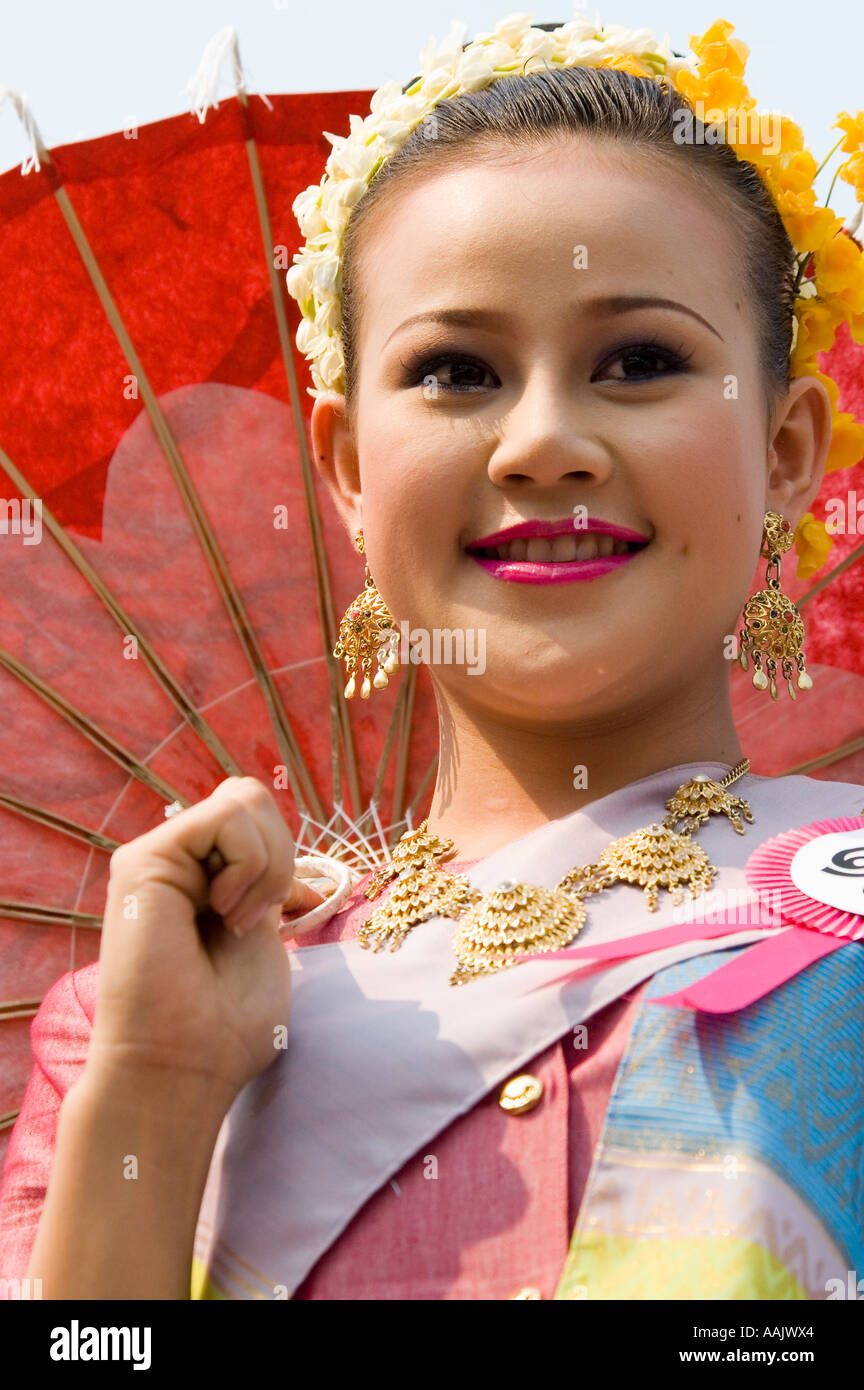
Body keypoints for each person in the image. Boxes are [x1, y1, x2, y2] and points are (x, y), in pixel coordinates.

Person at [2, 13, 864, 1301]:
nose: (543, 443)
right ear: (348, 470)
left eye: (641, 360)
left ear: (788, 449)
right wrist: (156, 1098)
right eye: (457, 371)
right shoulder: (146, 1017)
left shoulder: (838, 914)